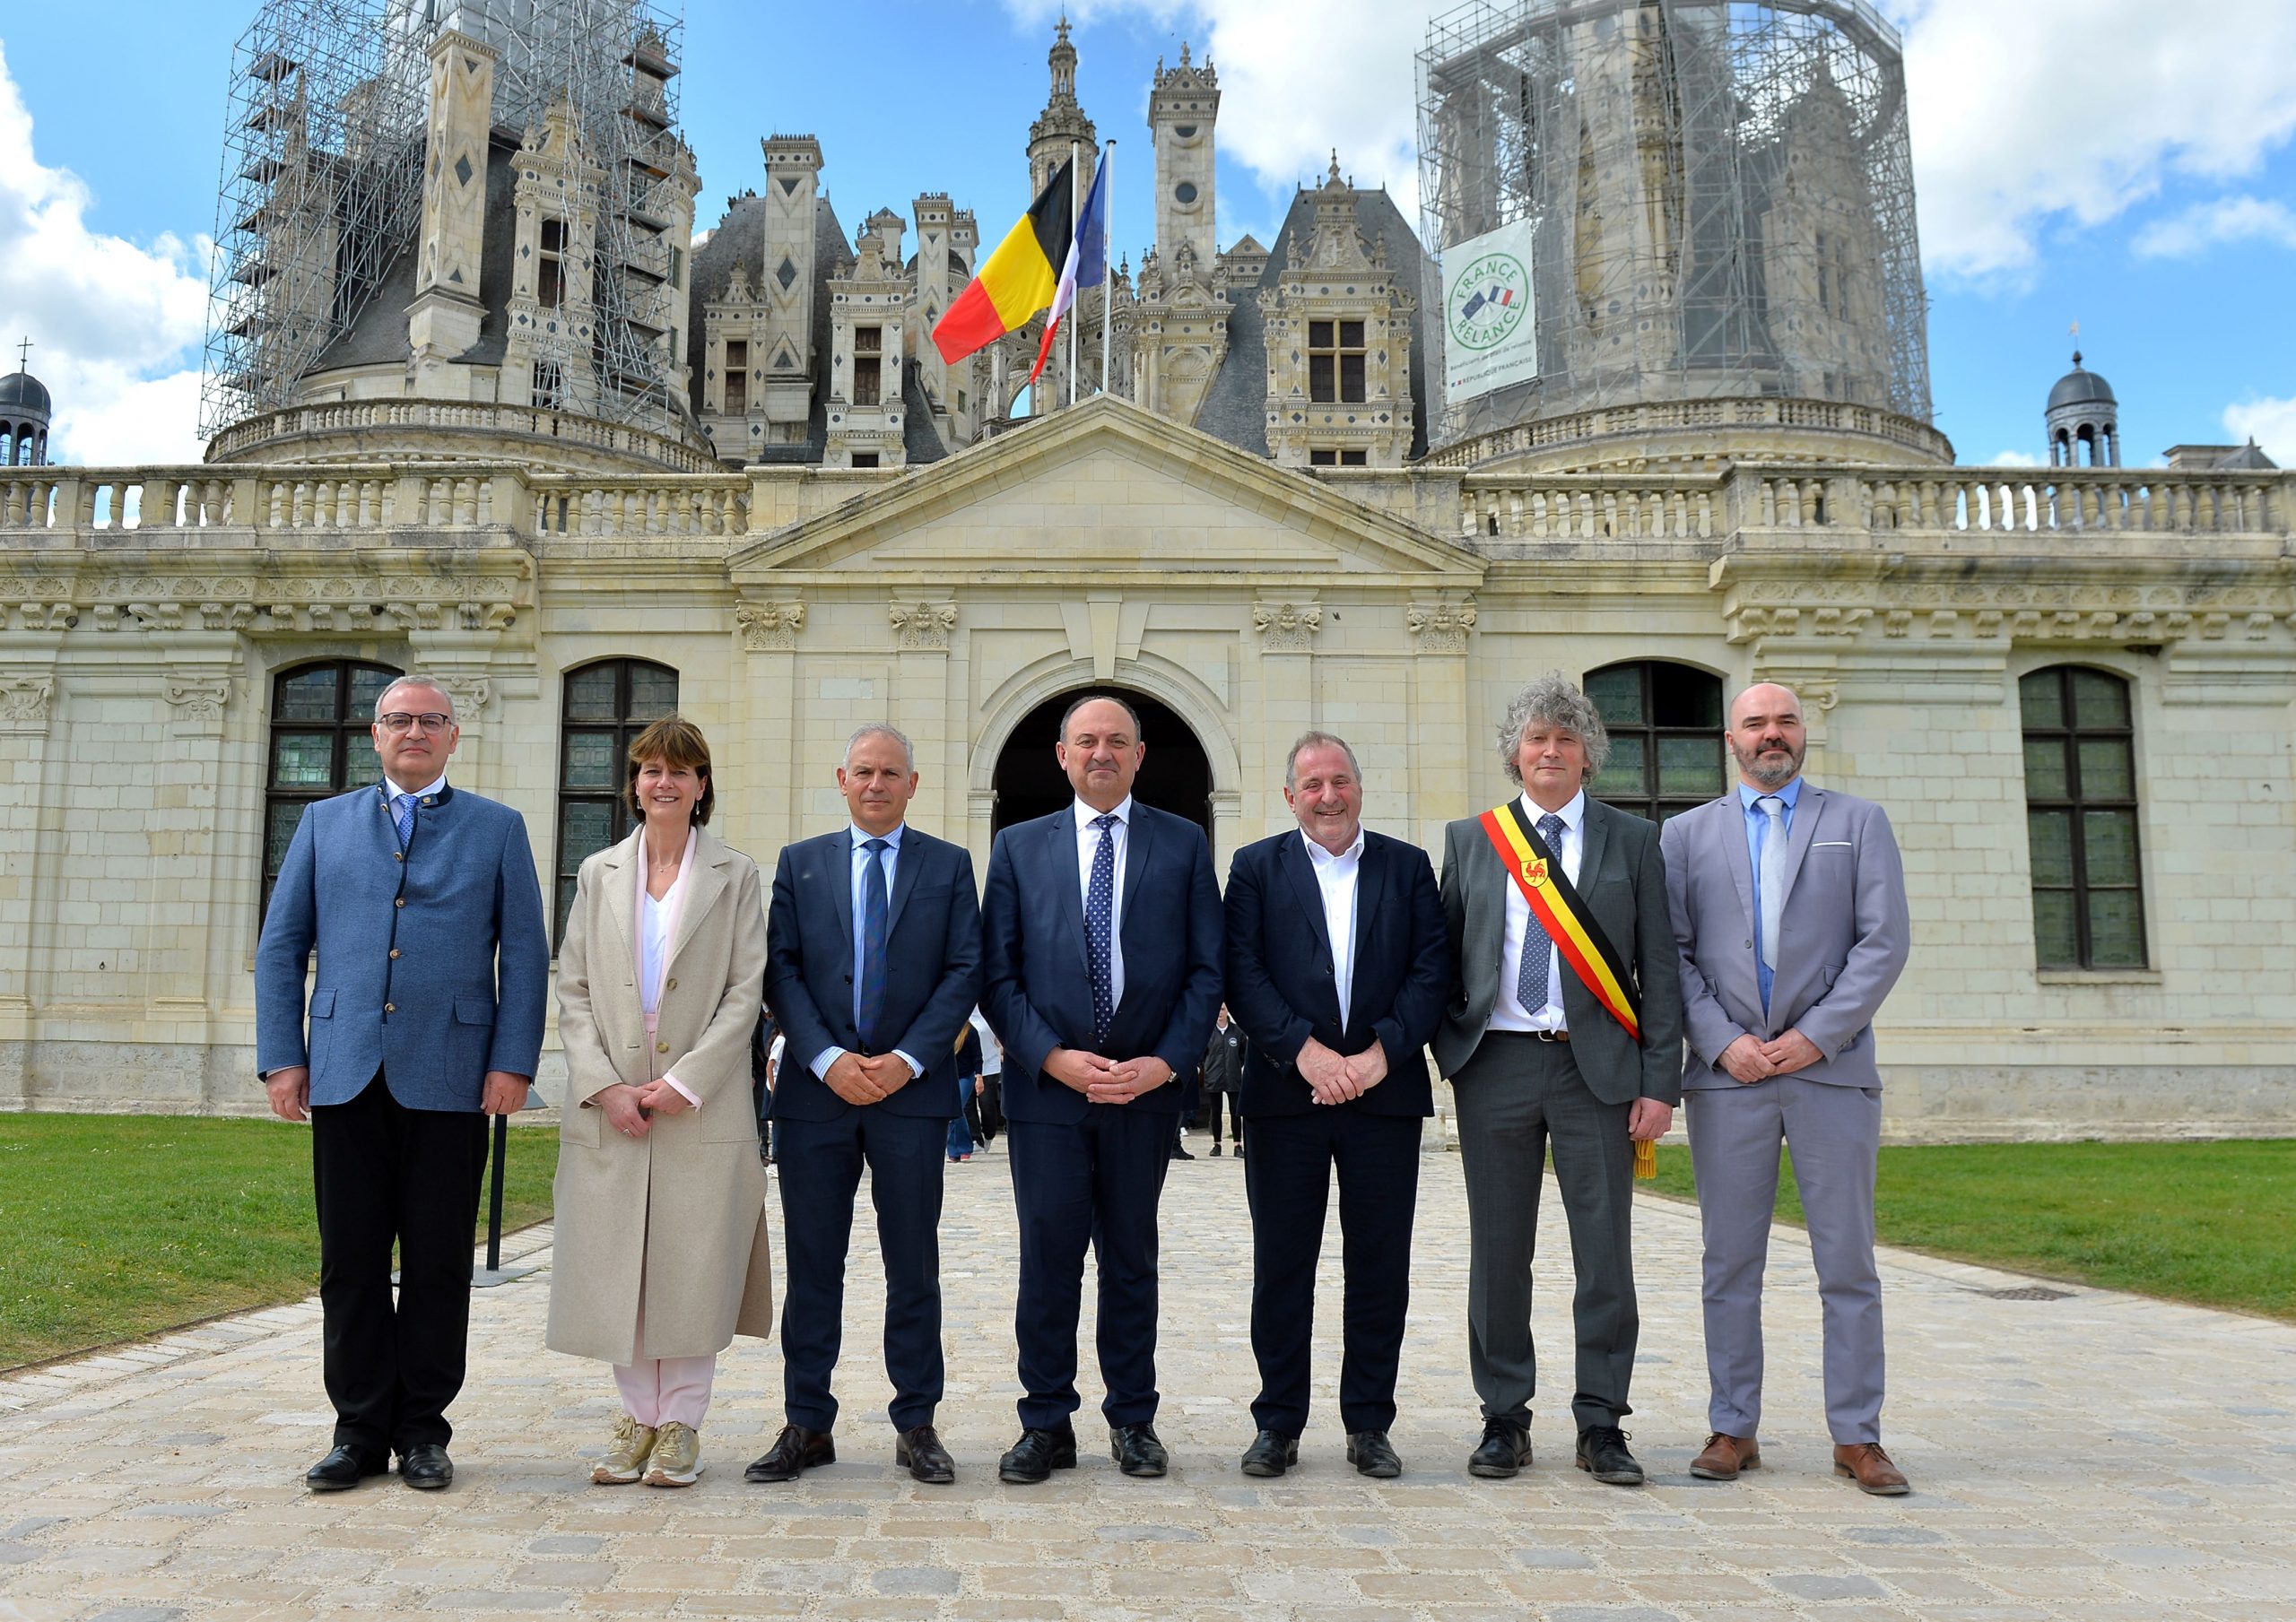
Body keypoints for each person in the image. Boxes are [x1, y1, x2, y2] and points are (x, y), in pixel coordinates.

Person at [255, 675, 548, 1493]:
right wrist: (284, 1055)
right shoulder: (323, 823)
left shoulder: (497, 828)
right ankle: (356, 1430)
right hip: (345, 1069)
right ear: (375, 734)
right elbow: (282, 947)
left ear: (455, 736)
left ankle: (422, 1428)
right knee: (348, 1259)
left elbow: (524, 953)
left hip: (453, 1075)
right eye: (398, 720)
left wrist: (512, 1060)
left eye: (431, 720)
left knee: (437, 1259)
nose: (413, 731)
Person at [1660, 682, 1913, 1495]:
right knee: (1729, 1261)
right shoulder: (1685, 835)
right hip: (1729, 1077)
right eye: (1756, 723)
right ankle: (1733, 1425)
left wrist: (1815, 1036)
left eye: (1786, 721)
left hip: (1829, 1072)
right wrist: (1724, 1041)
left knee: (1847, 1261)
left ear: (1805, 732)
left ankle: (1857, 1436)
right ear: (1729, 738)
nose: (1773, 734)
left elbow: (1884, 942)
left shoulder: (1858, 824)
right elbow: (1669, 954)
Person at [1435, 672, 1683, 1488]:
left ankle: (1602, 1420)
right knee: (1499, 1251)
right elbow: (1443, 956)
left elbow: (1661, 972)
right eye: (1537, 738)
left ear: (1587, 756)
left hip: (1598, 1069)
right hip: (1498, 1061)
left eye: (1566, 739)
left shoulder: (1633, 841)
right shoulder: (1474, 841)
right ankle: (1503, 1415)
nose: (1550, 750)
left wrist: (1660, 1082)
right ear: (1515, 752)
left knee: (1604, 1252)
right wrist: (1452, 1051)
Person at [979, 693, 1222, 1483]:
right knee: (1047, 1260)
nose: (1101, 753)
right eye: (1086, 741)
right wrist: (1050, 1056)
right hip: (1048, 1093)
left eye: (1117, 741)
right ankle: (1044, 1420)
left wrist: (1167, 1061)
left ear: (1140, 755)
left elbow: (1204, 968)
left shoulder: (1183, 844)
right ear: (1061, 754)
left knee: (1130, 1258)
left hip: (1143, 1090)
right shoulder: (1018, 847)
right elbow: (998, 972)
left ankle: (1133, 1419)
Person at [546, 716, 774, 1488]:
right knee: (621, 1264)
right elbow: (571, 988)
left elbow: (746, 991)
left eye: (679, 771)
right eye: (650, 770)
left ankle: (680, 1422)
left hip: (697, 1102)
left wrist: (687, 1080)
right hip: (614, 1092)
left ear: (701, 784)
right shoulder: (598, 871)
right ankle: (633, 1416)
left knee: (692, 1262)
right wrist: (603, 1082)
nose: (663, 782)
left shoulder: (735, 875)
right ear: (635, 783)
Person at [754, 724, 983, 1486]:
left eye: (891, 772)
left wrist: (908, 1059)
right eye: (863, 771)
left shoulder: (949, 867)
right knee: (814, 1266)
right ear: (841, 779)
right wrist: (825, 1058)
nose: (877, 783)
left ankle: (916, 1421)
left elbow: (963, 970)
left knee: (911, 1265)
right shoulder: (800, 864)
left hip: (910, 1097)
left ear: (913, 784)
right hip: (817, 1099)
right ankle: (805, 1422)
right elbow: (779, 970)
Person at [1222, 732, 1448, 1479]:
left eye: (1340, 781)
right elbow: (1244, 974)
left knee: (1380, 1265)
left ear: (1360, 786)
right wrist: (1307, 1053)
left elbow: (1430, 972)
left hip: (1383, 1095)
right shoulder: (1255, 869)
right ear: (1290, 796)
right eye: (1312, 784)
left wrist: (1379, 1053)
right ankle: (1278, 1422)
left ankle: (1369, 1424)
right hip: (1288, 1095)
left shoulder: (1408, 867)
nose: (1328, 796)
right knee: (1282, 1265)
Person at [1198, 1005, 1247, 1157]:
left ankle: (1237, 1145)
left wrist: (1235, 1066)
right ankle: (1217, 1144)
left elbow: (1243, 1054)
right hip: (1214, 1077)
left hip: (1233, 1078)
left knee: (1235, 1112)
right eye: (1218, 1009)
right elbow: (1201, 1055)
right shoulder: (1207, 1032)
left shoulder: (1237, 1032)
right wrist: (1208, 1068)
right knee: (1216, 1111)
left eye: (1223, 1009)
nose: (1220, 1013)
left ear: (1227, 1012)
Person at [968, 1008, 1004, 1146]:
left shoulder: (988, 1014)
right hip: (968, 1067)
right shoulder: (963, 1015)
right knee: (967, 1105)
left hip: (989, 1066)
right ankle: (976, 1138)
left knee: (986, 1104)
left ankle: (989, 1134)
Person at [949, 1023, 983, 1162]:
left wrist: (979, 1077)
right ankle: (953, 1150)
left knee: (958, 1109)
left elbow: (977, 1056)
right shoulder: (948, 1029)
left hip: (966, 1076)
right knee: (950, 1112)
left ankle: (964, 1147)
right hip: (950, 1076)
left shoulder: (971, 1032)